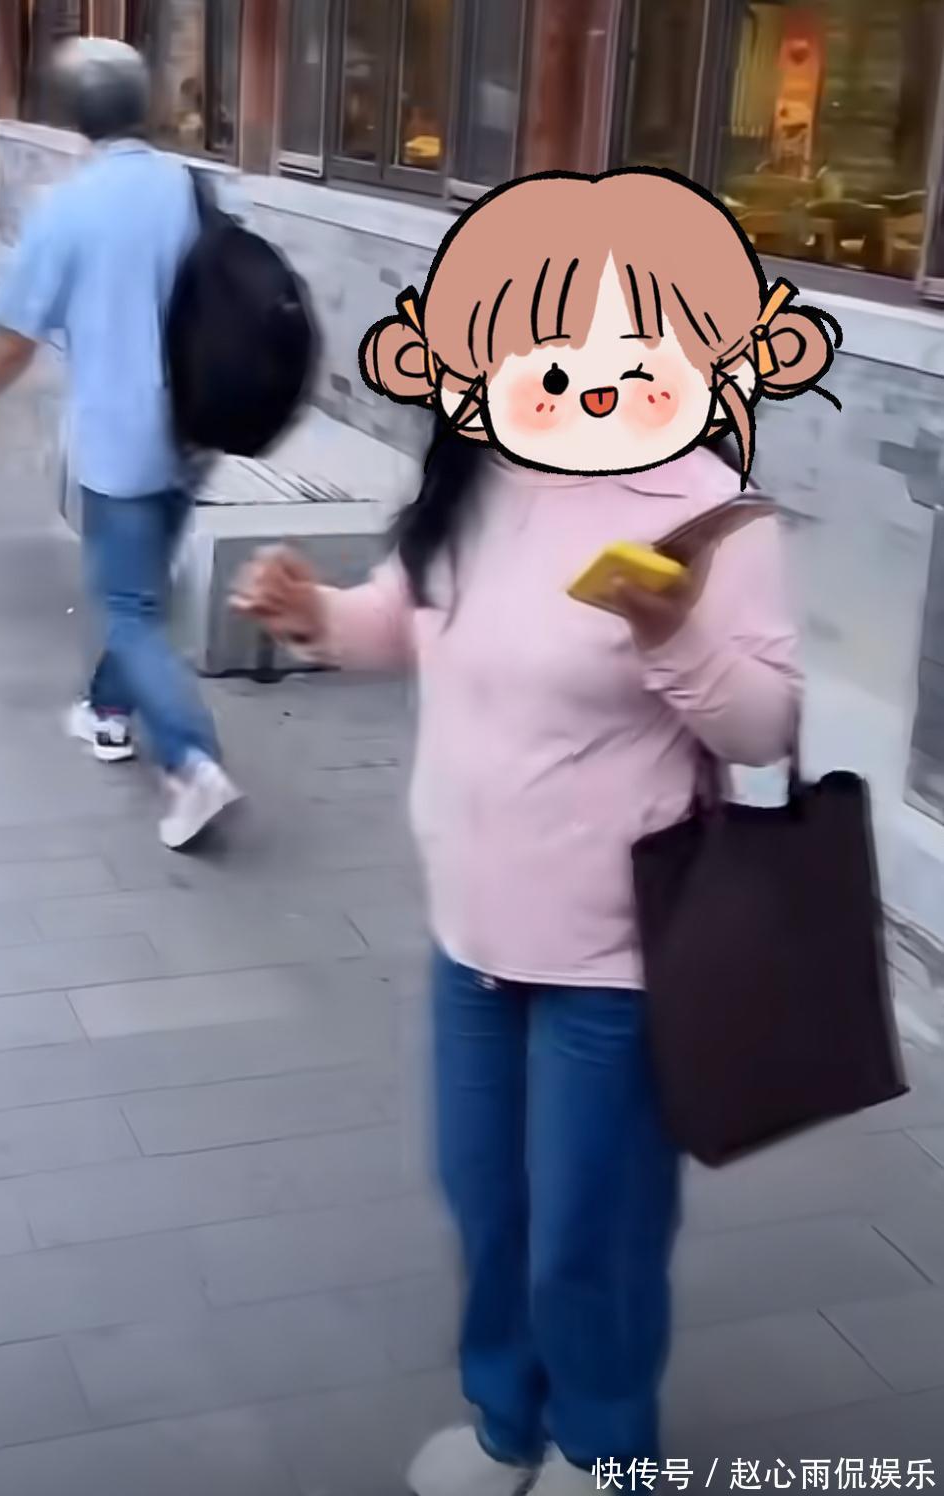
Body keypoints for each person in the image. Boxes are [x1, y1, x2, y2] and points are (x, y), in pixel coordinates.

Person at [234, 169, 838, 1494]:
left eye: (633, 354)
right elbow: (409, 618)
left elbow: (763, 726)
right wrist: (316, 616)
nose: (589, 385)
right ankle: (509, 1421)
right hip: (472, 932)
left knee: (590, 1230)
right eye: (553, 353)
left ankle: (607, 1449)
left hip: (617, 958)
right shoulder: (479, 474)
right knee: (486, 1203)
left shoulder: (708, 512)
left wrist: (672, 635)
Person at [0, 37, 239, 850]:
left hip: (120, 438)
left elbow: (17, 338)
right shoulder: (196, 188)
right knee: (139, 591)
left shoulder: (68, 208)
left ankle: (192, 761)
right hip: (196, 430)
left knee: (130, 606)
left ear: (75, 117)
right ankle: (108, 711)